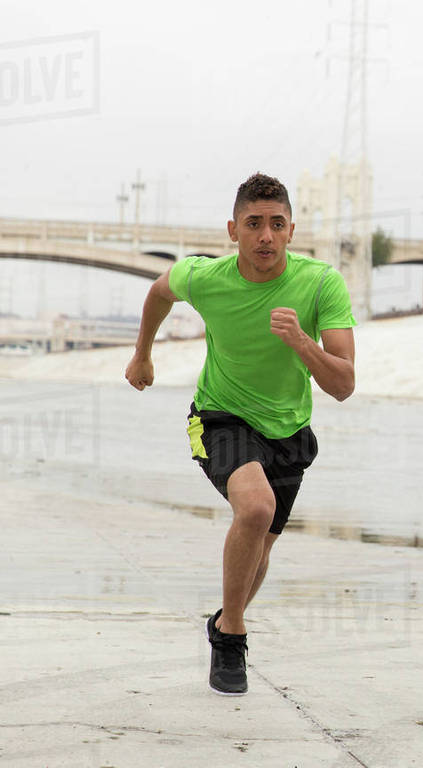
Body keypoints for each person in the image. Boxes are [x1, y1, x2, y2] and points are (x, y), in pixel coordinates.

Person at [124, 172, 357, 695]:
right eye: (254, 224)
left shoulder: (321, 283)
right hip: (220, 416)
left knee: (261, 550)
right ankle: (232, 640)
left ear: (292, 230)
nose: (266, 236)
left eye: (277, 224)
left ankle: (225, 620)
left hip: (289, 429)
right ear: (233, 230)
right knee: (254, 509)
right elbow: (159, 292)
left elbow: (343, 385)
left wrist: (301, 341)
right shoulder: (205, 278)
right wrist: (143, 353)